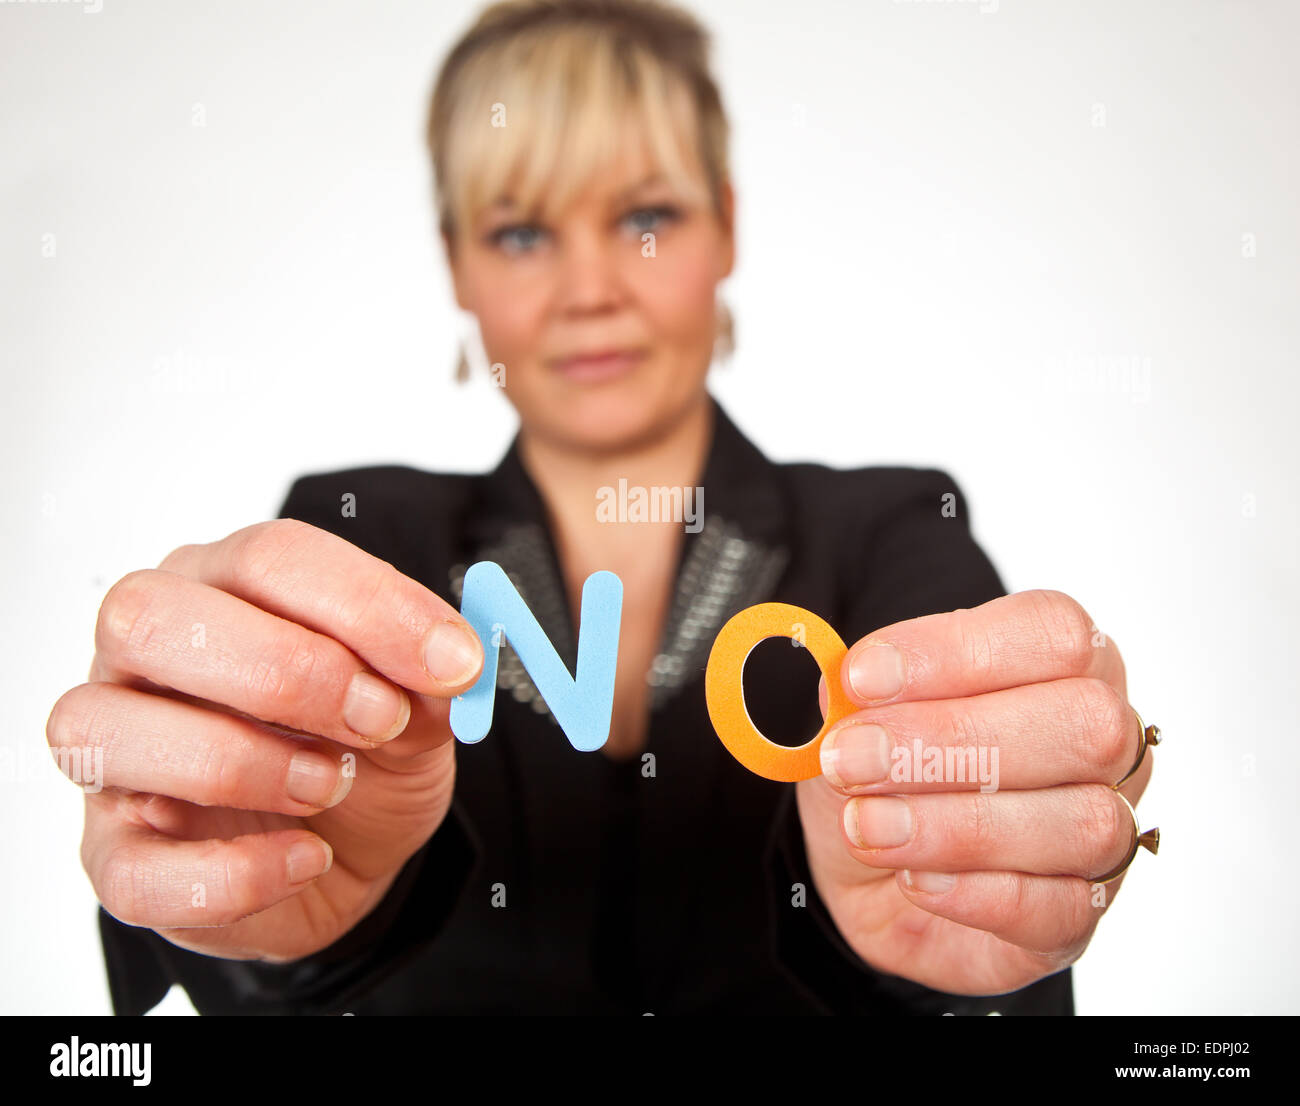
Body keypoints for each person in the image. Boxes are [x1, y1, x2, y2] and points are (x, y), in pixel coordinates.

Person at [47, 0, 1157, 1015]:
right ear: (457, 266)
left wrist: (968, 923)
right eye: (521, 232)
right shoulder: (353, 541)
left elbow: (1003, 966)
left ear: (726, 227)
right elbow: (239, 975)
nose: (589, 289)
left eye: (645, 218)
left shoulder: (891, 536)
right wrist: (246, 901)